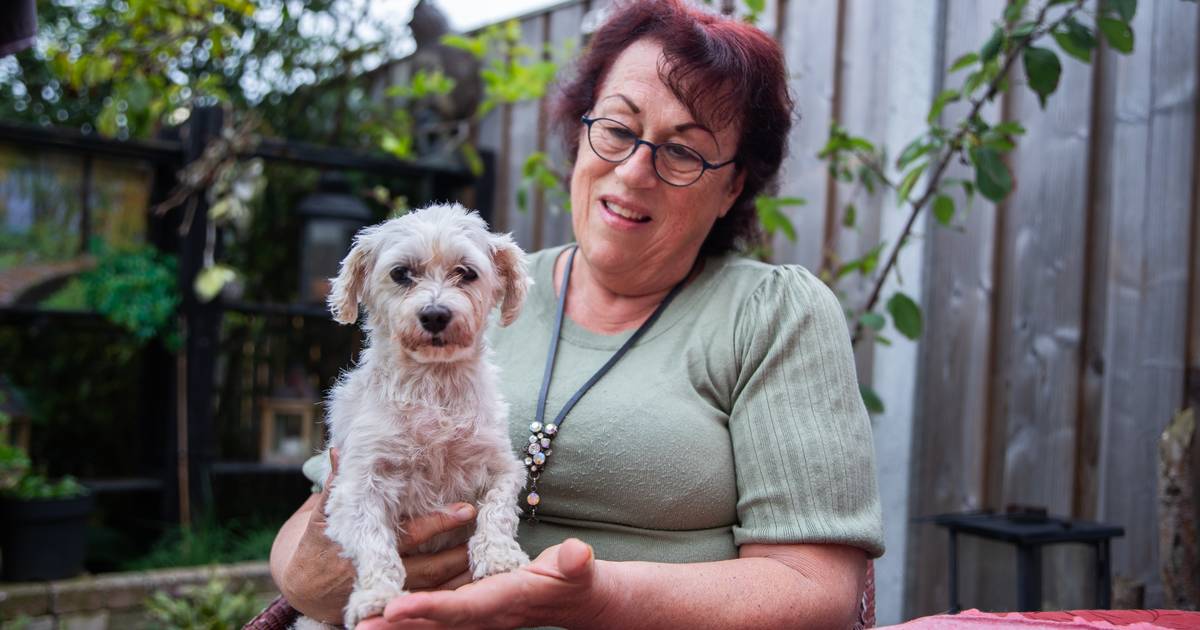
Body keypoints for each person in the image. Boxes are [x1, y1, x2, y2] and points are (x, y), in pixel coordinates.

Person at [269, 0, 884, 627]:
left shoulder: (772, 314)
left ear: (732, 187)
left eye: (684, 152)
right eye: (618, 129)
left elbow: (816, 591)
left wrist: (596, 597)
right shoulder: (477, 289)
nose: (635, 170)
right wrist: (311, 579)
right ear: (581, 132)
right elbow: (315, 520)